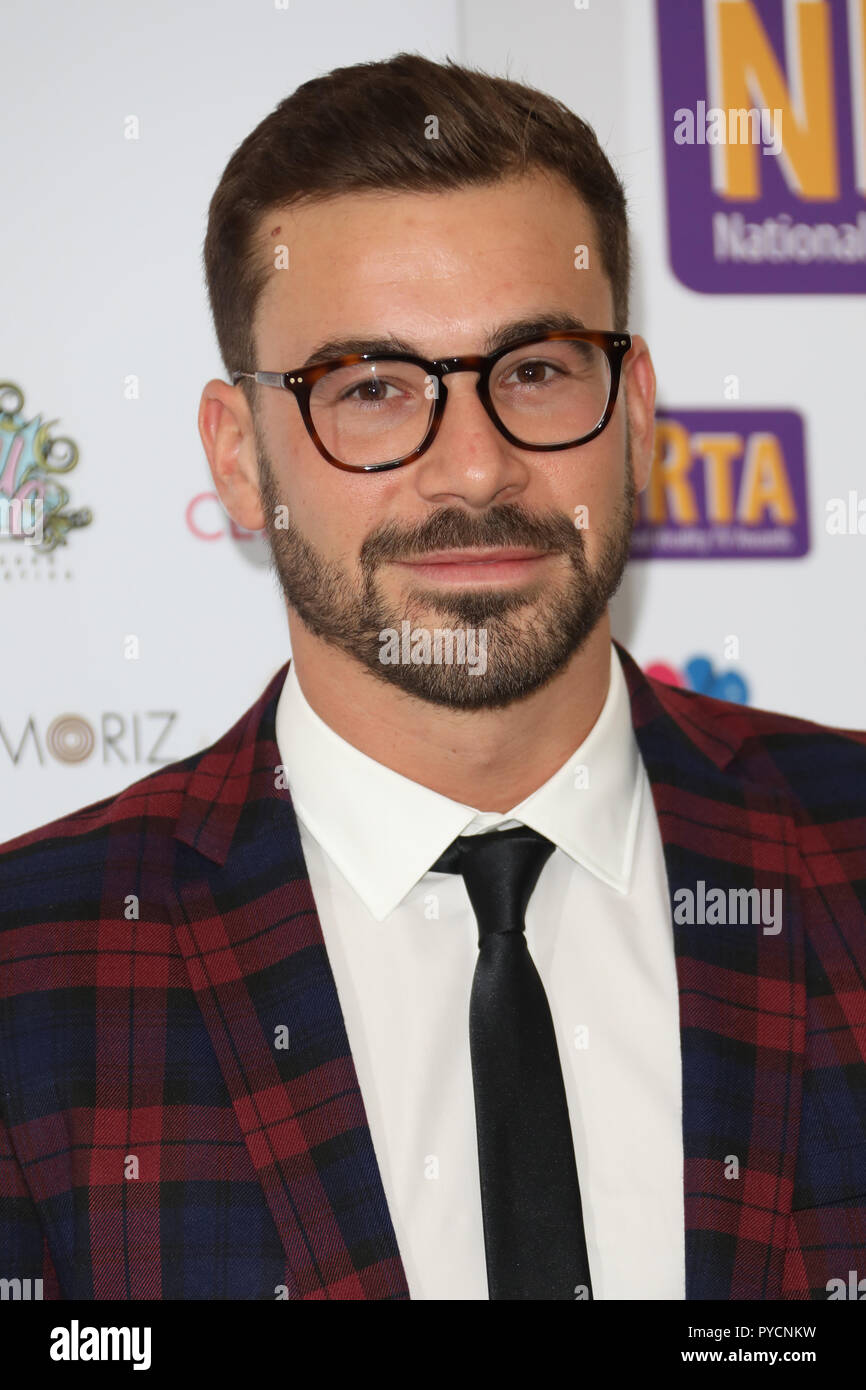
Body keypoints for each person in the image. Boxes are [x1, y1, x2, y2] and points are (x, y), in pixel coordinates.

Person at [1, 52, 865, 1303]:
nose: (472, 468)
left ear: (632, 415)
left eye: (535, 371)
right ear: (238, 459)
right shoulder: (31, 972)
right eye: (371, 388)